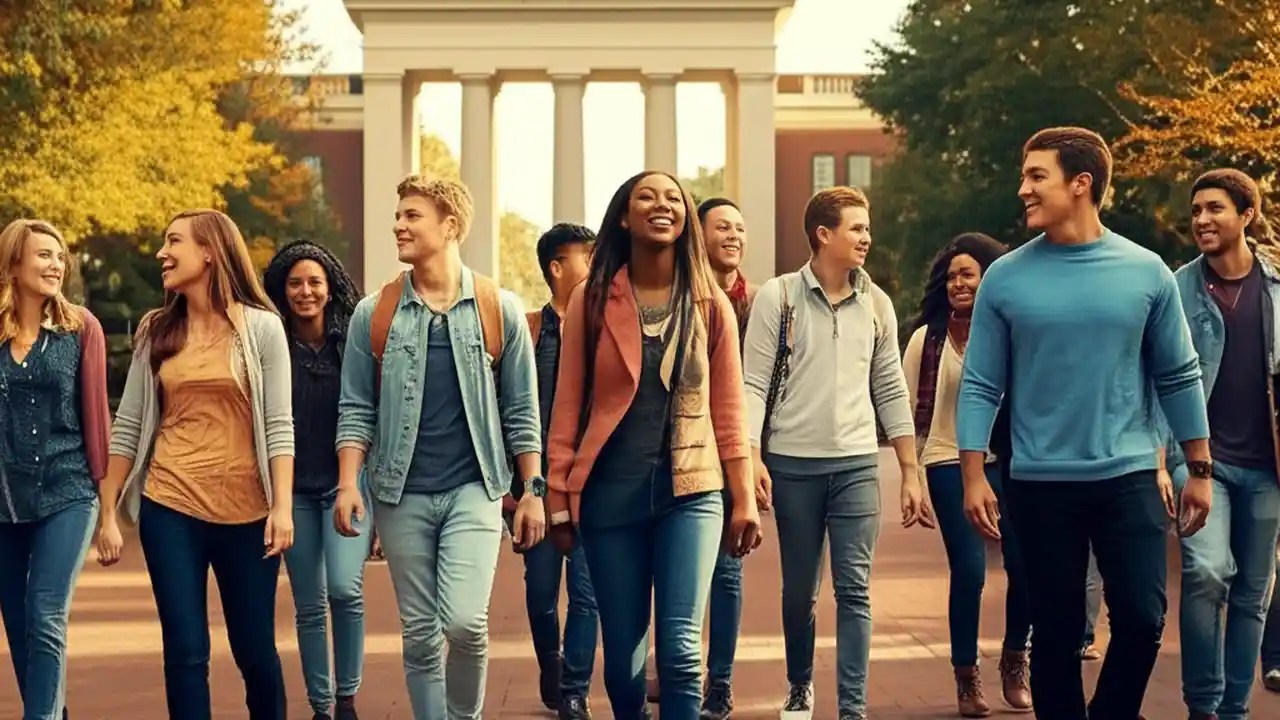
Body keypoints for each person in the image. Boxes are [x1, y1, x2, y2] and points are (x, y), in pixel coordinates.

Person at [956, 126, 1213, 720]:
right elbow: (982, 383)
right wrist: (972, 475)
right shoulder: (1005, 279)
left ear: (1081, 183)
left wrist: (1199, 469)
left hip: (1128, 476)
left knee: (1144, 618)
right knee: (1055, 629)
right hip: (1039, 482)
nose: (1023, 189)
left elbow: (1179, 374)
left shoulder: (1146, 272)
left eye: (1036, 176)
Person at [544, 170, 763, 720]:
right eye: (646, 196)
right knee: (623, 662)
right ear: (625, 216)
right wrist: (557, 497)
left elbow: (729, 411)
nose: (661, 205)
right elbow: (568, 405)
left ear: (685, 217)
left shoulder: (710, 304)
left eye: (673, 198)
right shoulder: (592, 300)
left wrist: (743, 498)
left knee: (682, 651)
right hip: (609, 496)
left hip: (691, 493)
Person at [332, 174, 545, 720]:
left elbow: (522, 412)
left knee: (466, 623)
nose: (398, 226)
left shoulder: (498, 308)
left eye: (412, 216)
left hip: (476, 489)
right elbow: (355, 407)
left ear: (450, 227)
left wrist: (533, 491)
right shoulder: (373, 314)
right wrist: (349, 483)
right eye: (398, 215)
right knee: (422, 634)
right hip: (400, 493)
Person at [96, 209, 296, 720]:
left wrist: (282, 508)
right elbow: (129, 424)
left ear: (209, 251)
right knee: (185, 651)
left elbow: (279, 424)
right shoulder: (157, 330)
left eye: (173, 242)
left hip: (248, 512)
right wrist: (108, 512)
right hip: (170, 505)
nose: (162, 253)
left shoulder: (262, 328)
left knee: (255, 650)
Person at [742, 185, 933, 720]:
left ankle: (853, 708)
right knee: (800, 592)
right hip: (793, 467)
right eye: (857, 228)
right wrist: (752, 456)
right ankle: (799, 684)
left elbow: (890, 387)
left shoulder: (876, 303)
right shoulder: (778, 297)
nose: (867, 237)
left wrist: (910, 470)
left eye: (867, 228)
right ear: (823, 234)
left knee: (854, 590)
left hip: (856, 465)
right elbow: (752, 382)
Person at [902, 232, 1031, 717]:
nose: (958, 283)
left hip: (1008, 461)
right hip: (947, 459)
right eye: (952, 276)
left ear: (988, 278)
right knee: (971, 569)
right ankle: (966, 674)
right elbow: (906, 412)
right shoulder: (927, 339)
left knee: (1024, 566)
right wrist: (912, 477)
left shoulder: (1009, 331)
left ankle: (1015, 660)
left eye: (968, 274)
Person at [1168, 167, 1280, 720]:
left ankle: (1234, 709)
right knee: (1207, 573)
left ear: (1246, 215)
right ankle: (1203, 704)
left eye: (1215, 208)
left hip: (1267, 468)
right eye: (1196, 211)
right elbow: (1154, 376)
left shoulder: (1276, 290)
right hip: (1201, 464)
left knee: (1254, 591)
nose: (1202, 220)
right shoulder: (1175, 288)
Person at [0, 219, 109, 720]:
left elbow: (98, 421)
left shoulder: (81, 328)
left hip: (68, 491)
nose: (56, 265)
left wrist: (108, 511)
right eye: (44, 255)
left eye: (60, 256)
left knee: (45, 612)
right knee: (19, 623)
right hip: (5, 499)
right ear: (14, 264)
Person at [263, 240, 370, 720]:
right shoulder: (273, 346)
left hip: (347, 486)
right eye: (295, 283)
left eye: (314, 282)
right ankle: (322, 706)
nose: (305, 291)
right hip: (294, 493)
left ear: (330, 289)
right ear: (282, 290)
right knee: (308, 605)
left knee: (345, 589)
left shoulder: (352, 344)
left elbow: (369, 414)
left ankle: (348, 695)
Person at [521, 222, 599, 720]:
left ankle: (574, 689)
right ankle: (551, 663)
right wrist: (518, 489)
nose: (596, 266)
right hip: (541, 486)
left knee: (588, 594)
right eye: (586, 258)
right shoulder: (528, 331)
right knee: (541, 594)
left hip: (593, 486)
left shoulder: (607, 328)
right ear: (556, 267)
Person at [695, 196, 754, 720]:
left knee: (727, 574)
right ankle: (680, 668)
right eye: (722, 227)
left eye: (739, 227)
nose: (733, 235)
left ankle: (721, 682)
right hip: (684, 454)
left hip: (733, 456)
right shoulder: (681, 298)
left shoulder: (758, 303)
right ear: (698, 235)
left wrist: (754, 458)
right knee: (677, 572)